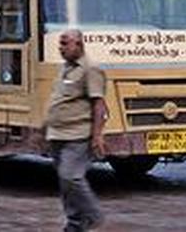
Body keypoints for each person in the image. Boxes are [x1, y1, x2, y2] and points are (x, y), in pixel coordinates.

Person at [45, 29, 106, 231]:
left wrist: (97, 136)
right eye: (60, 44)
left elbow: (99, 104)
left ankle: (93, 215)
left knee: (71, 176)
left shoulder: (91, 70)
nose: (60, 48)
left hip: (77, 135)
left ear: (78, 45)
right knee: (65, 182)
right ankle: (75, 223)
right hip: (57, 134)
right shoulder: (65, 68)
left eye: (65, 44)